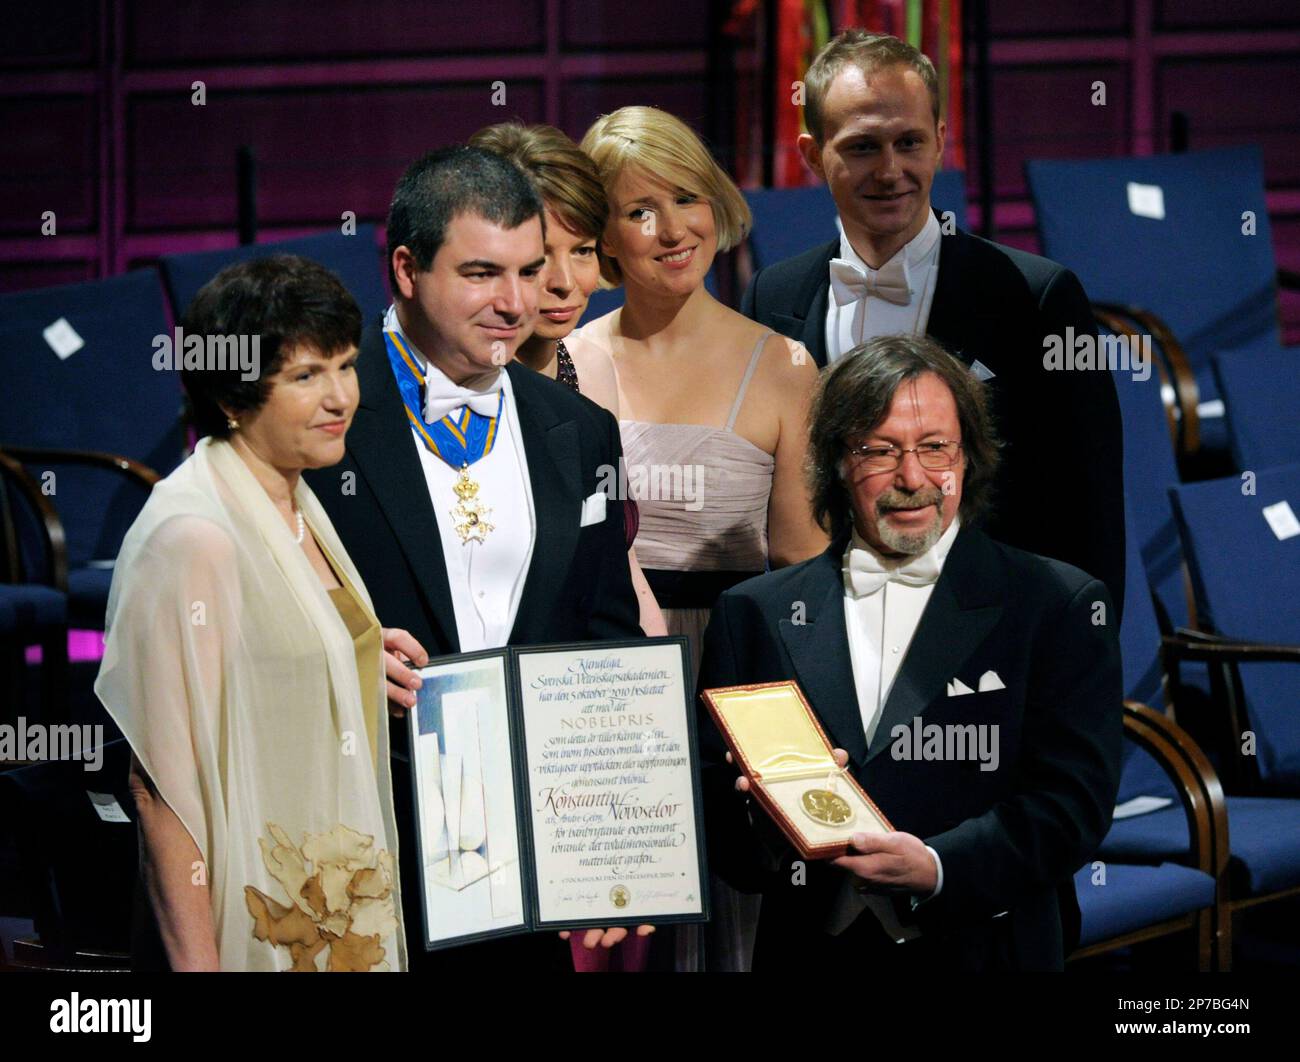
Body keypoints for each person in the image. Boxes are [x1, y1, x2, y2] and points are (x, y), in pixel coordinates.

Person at [303, 146, 645, 973]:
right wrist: (340, 659)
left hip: (524, 852)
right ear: (406, 270)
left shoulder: (579, 427)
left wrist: (611, 851)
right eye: (483, 273)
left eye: (529, 272)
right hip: (359, 835)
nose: (516, 304)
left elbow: (607, 639)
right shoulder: (317, 418)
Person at [698, 334, 1123, 971]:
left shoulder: (1055, 605)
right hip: (809, 954)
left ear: (970, 457)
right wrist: (759, 817)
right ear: (836, 462)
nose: (912, 478)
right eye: (880, 451)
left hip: (985, 951)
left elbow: (1072, 809)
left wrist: (938, 866)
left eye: (935, 448)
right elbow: (726, 838)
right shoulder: (751, 612)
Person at [741, 30, 1125, 615]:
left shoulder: (1035, 296)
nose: (891, 170)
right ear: (814, 155)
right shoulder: (773, 296)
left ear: (941, 142)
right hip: (827, 637)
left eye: (910, 142)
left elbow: (1089, 513)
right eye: (863, 147)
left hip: (989, 635)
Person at [95, 256, 405, 971]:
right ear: (234, 395)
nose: (340, 398)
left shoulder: (293, 497)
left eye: (346, 366)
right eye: (306, 376)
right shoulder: (194, 537)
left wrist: (353, 651)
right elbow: (160, 792)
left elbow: (267, 651)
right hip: (257, 926)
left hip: (335, 908)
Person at [578, 105, 828, 972]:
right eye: (637, 210)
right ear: (602, 237)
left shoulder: (789, 366)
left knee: (731, 936)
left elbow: (804, 568)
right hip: (600, 686)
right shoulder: (560, 363)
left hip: (737, 680)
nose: (671, 228)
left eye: (686, 197)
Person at [469, 120, 667, 643]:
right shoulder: (461, 387)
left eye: (582, 251)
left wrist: (655, 662)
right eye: (539, 259)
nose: (565, 283)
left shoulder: (591, 367)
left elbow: (619, 557)